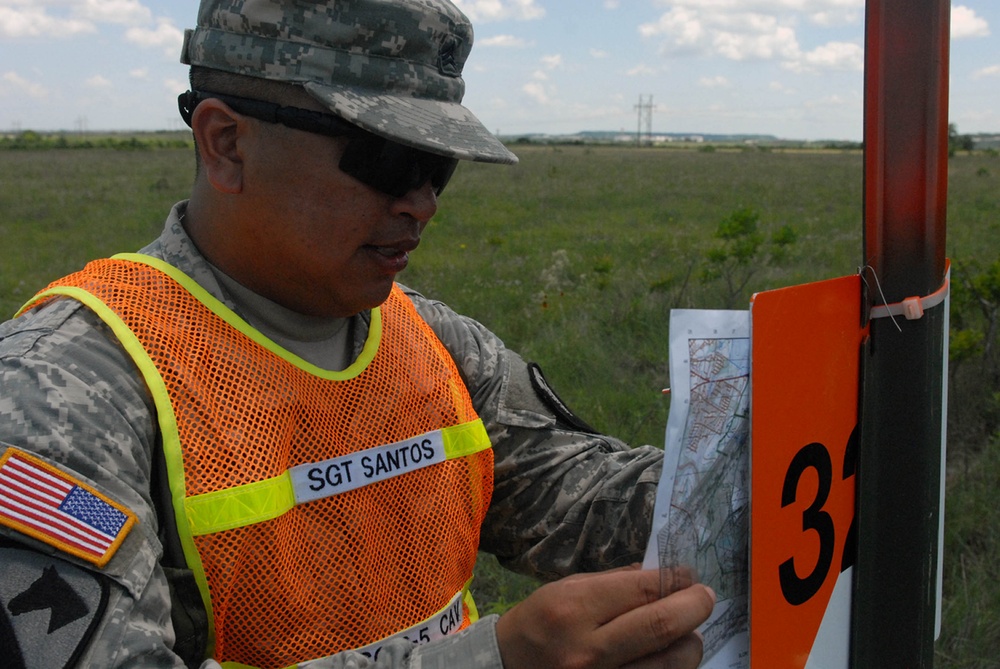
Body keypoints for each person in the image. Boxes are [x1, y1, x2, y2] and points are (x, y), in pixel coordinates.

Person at [0, 1, 715, 667]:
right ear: (226, 144)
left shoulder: (433, 340)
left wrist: (765, 457)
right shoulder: (59, 393)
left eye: (440, 168)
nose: (423, 203)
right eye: (388, 161)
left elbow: (579, 496)